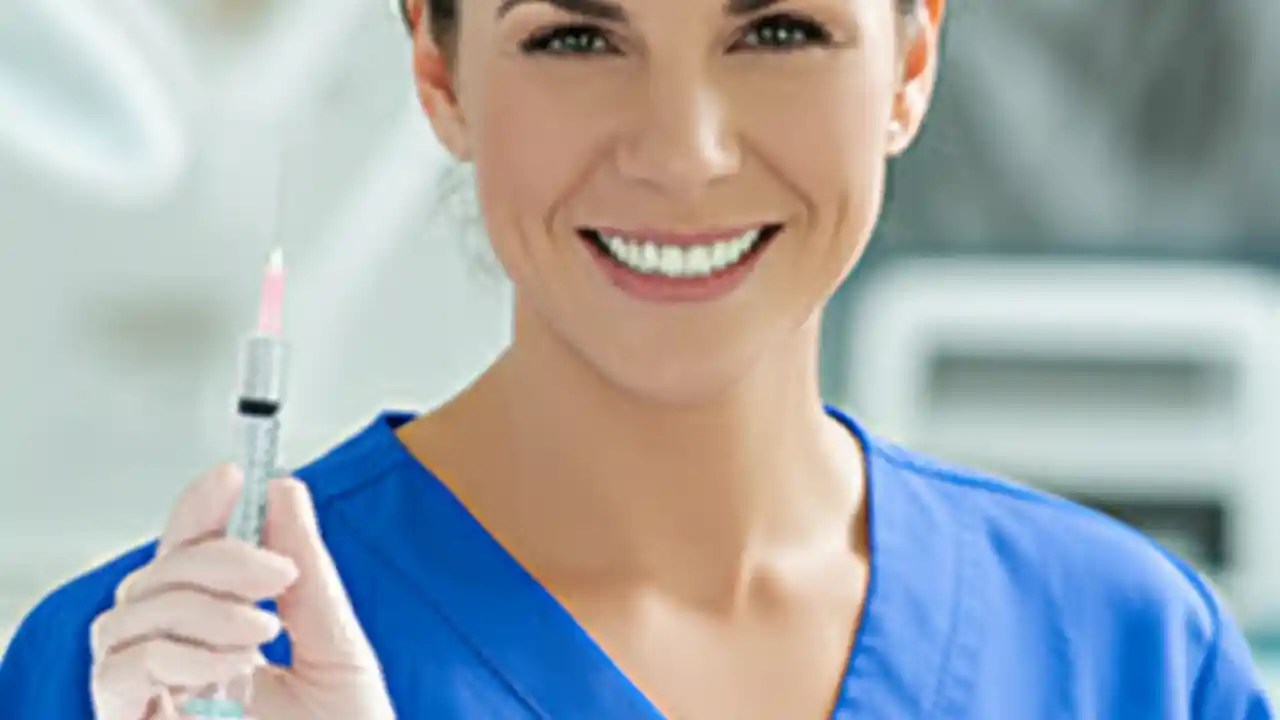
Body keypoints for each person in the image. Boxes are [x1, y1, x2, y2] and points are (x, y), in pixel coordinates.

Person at [0, 0, 1273, 717]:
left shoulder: (1132, 657)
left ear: (911, 63)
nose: (684, 151)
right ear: (439, 75)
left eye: (776, 31)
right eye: (575, 36)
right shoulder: (136, 677)